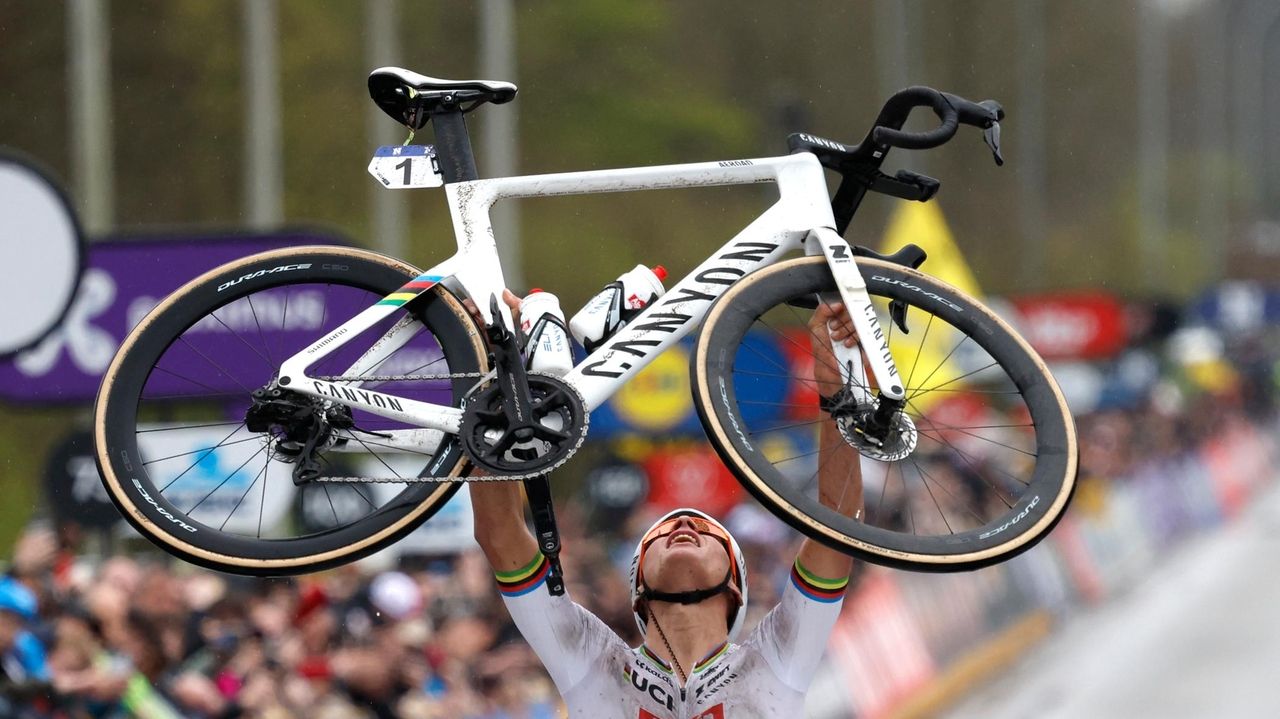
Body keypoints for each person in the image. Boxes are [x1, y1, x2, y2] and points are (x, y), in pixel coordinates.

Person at [470, 292, 862, 718]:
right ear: (637, 590)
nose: (684, 526)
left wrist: (832, 378)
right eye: (660, 535)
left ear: (736, 587)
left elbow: (838, 524)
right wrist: (493, 369)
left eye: (707, 532)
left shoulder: (778, 658)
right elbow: (502, 533)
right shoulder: (591, 661)